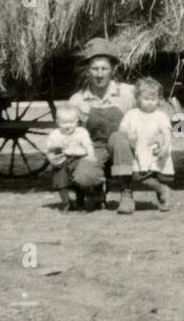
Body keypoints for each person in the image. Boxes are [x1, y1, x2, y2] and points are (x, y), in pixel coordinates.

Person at [68, 38, 138, 212]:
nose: (99, 74)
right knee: (83, 177)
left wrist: (172, 137)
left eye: (104, 69)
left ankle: (126, 193)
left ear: (112, 70)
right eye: (95, 69)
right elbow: (66, 134)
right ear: (87, 70)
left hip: (125, 146)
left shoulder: (128, 93)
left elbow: (163, 110)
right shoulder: (77, 100)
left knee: (118, 138)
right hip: (96, 148)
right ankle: (97, 190)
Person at [116, 77, 174, 212]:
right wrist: (128, 133)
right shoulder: (132, 114)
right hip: (137, 150)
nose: (149, 103)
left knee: (145, 175)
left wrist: (165, 147)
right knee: (136, 175)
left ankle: (162, 191)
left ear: (158, 100)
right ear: (138, 99)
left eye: (153, 100)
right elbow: (122, 129)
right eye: (146, 99)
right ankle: (161, 189)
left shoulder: (160, 116)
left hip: (152, 151)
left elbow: (166, 132)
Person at [45, 104, 104, 211]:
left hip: (78, 159)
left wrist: (91, 155)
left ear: (77, 121)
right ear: (57, 122)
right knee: (60, 180)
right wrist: (52, 159)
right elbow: (49, 150)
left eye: (71, 122)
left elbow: (88, 145)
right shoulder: (55, 134)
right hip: (62, 160)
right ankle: (66, 202)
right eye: (64, 123)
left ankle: (80, 200)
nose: (68, 126)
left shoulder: (81, 132)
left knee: (78, 178)